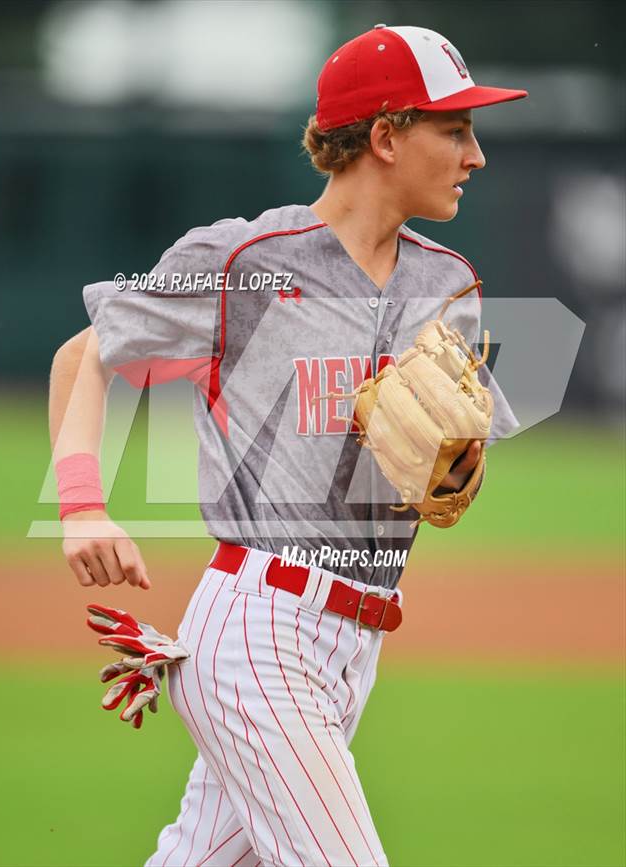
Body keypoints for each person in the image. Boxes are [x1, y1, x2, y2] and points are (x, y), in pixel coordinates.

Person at [49, 24, 526, 867]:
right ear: (383, 136)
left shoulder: (448, 283)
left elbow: (445, 481)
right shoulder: (246, 261)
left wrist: (457, 466)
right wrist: (83, 504)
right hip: (259, 630)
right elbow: (85, 353)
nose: (474, 154)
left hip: (354, 647)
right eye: (453, 129)